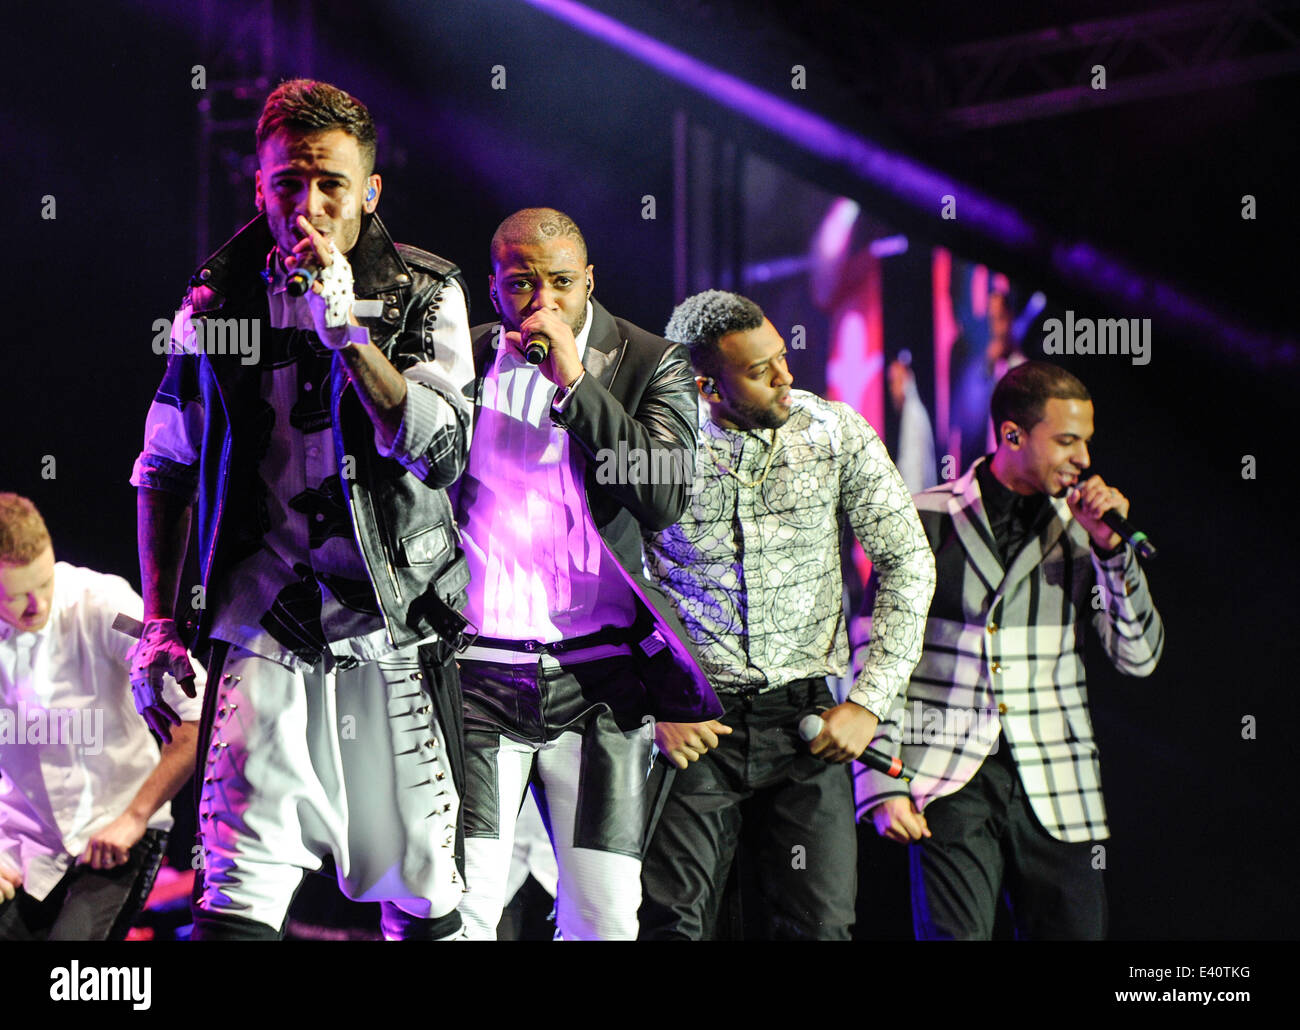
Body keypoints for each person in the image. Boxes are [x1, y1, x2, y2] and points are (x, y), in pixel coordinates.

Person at [129, 79, 476, 941]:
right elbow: (166, 465)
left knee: (423, 894)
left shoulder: (426, 292)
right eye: (288, 182)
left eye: (329, 182)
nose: (308, 205)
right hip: (263, 624)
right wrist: (160, 624)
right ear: (260, 186)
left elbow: (437, 451)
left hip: (386, 627)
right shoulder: (214, 298)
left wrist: (346, 330)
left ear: (369, 190)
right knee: (234, 894)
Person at [449, 207, 723, 940]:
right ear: (492, 288)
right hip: (475, 671)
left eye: (562, 282)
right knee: (462, 907)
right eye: (521, 284)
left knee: (604, 916)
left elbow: (662, 495)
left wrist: (573, 380)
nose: (544, 301)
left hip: (599, 680)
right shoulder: (460, 357)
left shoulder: (648, 359)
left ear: (590, 281)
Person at [637, 290, 936, 939]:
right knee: (673, 926)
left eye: (782, 356)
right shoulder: (654, 449)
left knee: (820, 928)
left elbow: (908, 561)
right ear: (705, 385)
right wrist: (654, 701)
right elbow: (613, 584)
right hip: (695, 724)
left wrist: (870, 700)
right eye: (759, 369)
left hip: (807, 721)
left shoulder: (834, 431)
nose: (785, 376)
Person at [862, 361, 1164, 940]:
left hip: (1056, 779)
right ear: (1011, 435)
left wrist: (1111, 554)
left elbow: (1138, 656)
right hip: (947, 777)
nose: (1083, 459)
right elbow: (870, 655)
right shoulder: (926, 516)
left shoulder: (1084, 532)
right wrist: (880, 782)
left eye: (1087, 442)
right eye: (1068, 441)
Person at [0, 494, 204, 940]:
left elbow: (197, 714)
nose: (36, 605)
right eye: (16, 597)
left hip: (118, 834)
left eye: (43, 584)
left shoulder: (107, 607)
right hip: (19, 845)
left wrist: (134, 816)